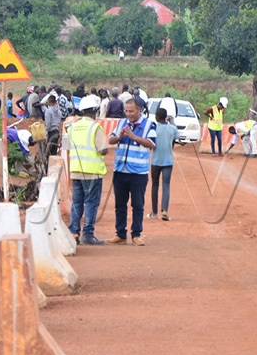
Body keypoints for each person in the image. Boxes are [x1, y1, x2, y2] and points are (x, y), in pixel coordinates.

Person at [108, 98, 156, 245]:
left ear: (139, 110)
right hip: (120, 170)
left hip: (138, 172)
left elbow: (151, 143)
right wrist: (119, 137)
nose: (128, 114)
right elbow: (110, 140)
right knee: (120, 204)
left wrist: (134, 137)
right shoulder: (121, 123)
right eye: (126, 111)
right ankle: (120, 234)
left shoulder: (149, 124)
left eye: (131, 111)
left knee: (138, 205)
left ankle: (136, 234)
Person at [67, 95, 109, 245]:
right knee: (91, 202)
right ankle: (88, 234)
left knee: (77, 201)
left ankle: (73, 232)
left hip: (75, 170)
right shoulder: (95, 127)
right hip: (91, 172)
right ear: (94, 111)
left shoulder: (72, 127)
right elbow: (103, 149)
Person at [148, 106, 178, 221]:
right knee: (166, 185)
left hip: (156, 160)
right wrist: (171, 122)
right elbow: (176, 138)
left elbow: (150, 143)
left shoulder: (154, 129)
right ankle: (165, 211)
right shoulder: (172, 129)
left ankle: (154, 213)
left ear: (156, 117)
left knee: (155, 185)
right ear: (166, 117)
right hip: (168, 161)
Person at [43, 92, 63, 156]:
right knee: (54, 151)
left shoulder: (48, 111)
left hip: (51, 132)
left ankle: (47, 161)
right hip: (57, 132)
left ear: (49, 102)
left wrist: (45, 131)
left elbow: (48, 124)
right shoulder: (59, 111)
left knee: (48, 151)